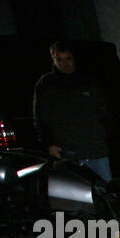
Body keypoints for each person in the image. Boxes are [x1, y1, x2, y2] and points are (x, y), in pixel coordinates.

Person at [33, 41, 113, 181]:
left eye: (68, 58)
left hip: (95, 148)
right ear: (53, 60)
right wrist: (50, 144)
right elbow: (41, 117)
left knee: (104, 190)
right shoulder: (47, 84)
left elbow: (104, 111)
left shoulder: (89, 80)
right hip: (67, 151)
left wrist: (104, 134)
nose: (65, 63)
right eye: (59, 59)